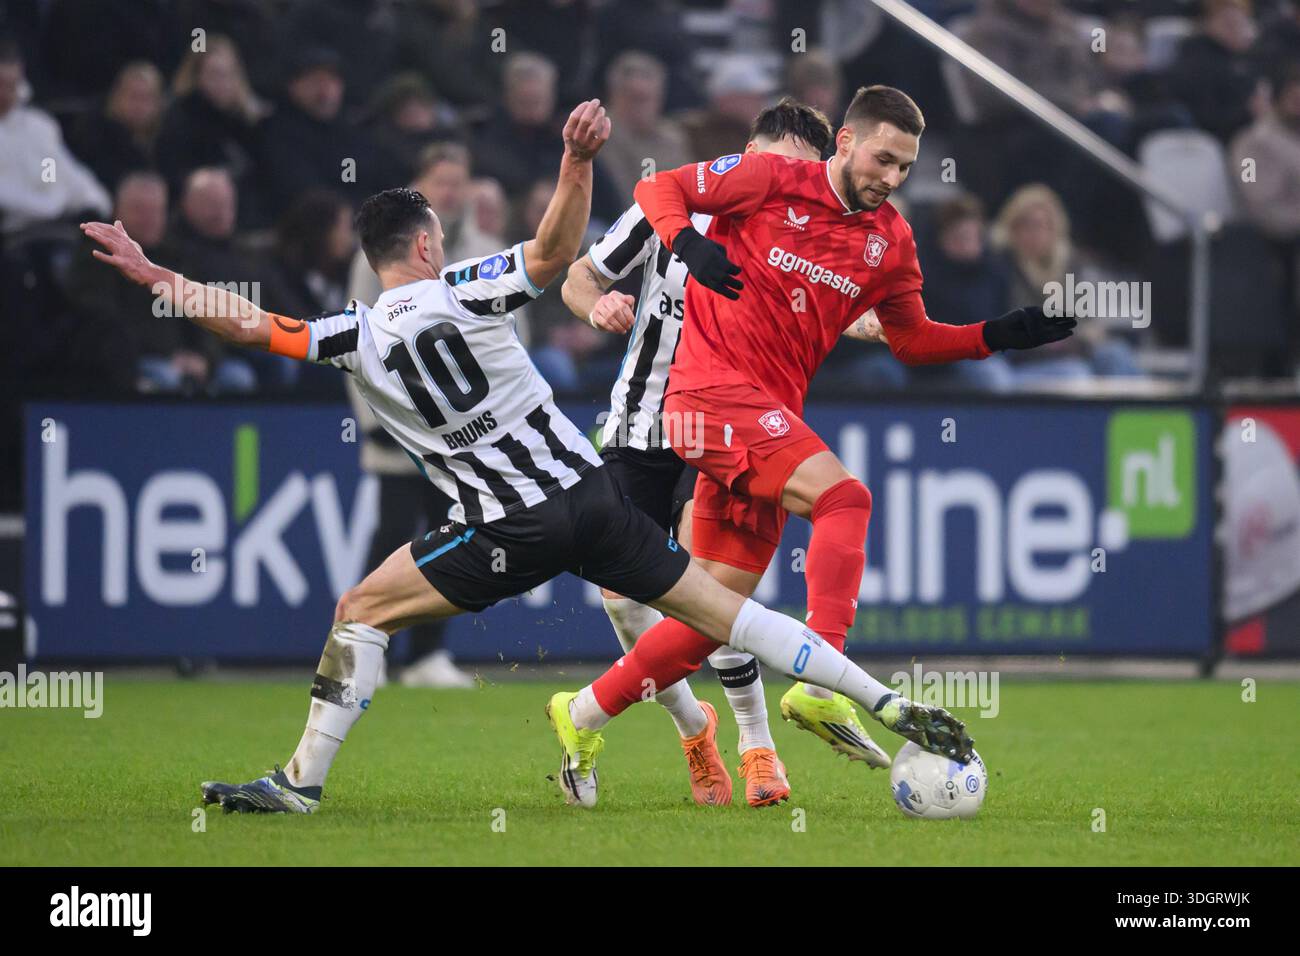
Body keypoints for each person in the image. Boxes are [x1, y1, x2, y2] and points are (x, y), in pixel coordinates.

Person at [81, 99, 972, 815]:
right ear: (431, 245)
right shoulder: (474, 290)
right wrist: (575, 161)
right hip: (591, 496)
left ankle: (303, 782)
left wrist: (156, 275)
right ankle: (885, 701)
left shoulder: (346, 334)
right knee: (724, 612)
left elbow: (247, 324)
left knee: (361, 608)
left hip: (505, 530)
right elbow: (554, 255)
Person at [537, 85, 1069, 805]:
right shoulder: (766, 178)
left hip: (764, 413)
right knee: (845, 497)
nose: (891, 176)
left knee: (711, 616)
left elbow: (910, 338)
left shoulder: (892, 240)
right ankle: (825, 679)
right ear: (845, 143)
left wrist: (993, 337)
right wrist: (688, 240)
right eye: (883, 157)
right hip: (705, 397)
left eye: (906, 167)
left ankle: (586, 710)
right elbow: (658, 185)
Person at [561, 98, 892, 808]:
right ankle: (694, 729)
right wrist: (597, 307)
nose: (794, 189)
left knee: (709, 590)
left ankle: (758, 747)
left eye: (805, 177)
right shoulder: (678, 210)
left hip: (723, 427)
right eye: (779, 170)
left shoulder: (803, 236)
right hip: (641, 426)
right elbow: (578, 276)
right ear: (747, 158)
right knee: (625, 601)